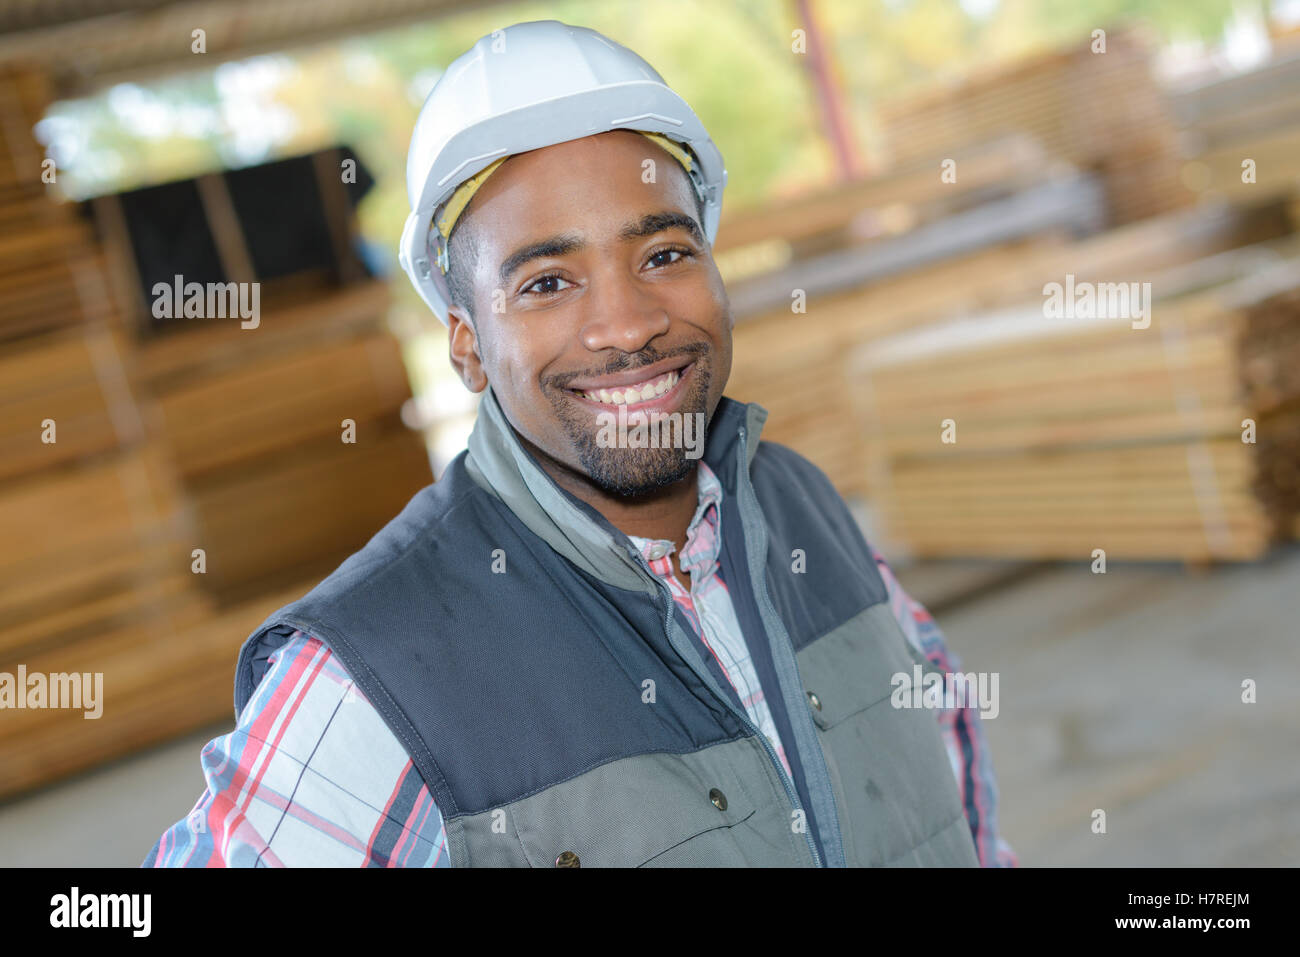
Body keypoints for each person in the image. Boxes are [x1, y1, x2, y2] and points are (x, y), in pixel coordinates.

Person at [144, 18, 1016, 868]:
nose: (628, 326)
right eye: (547, 282)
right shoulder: (378, 669)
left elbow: (961, 795)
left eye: (663, 255)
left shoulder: (801, 506)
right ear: (467, 346)